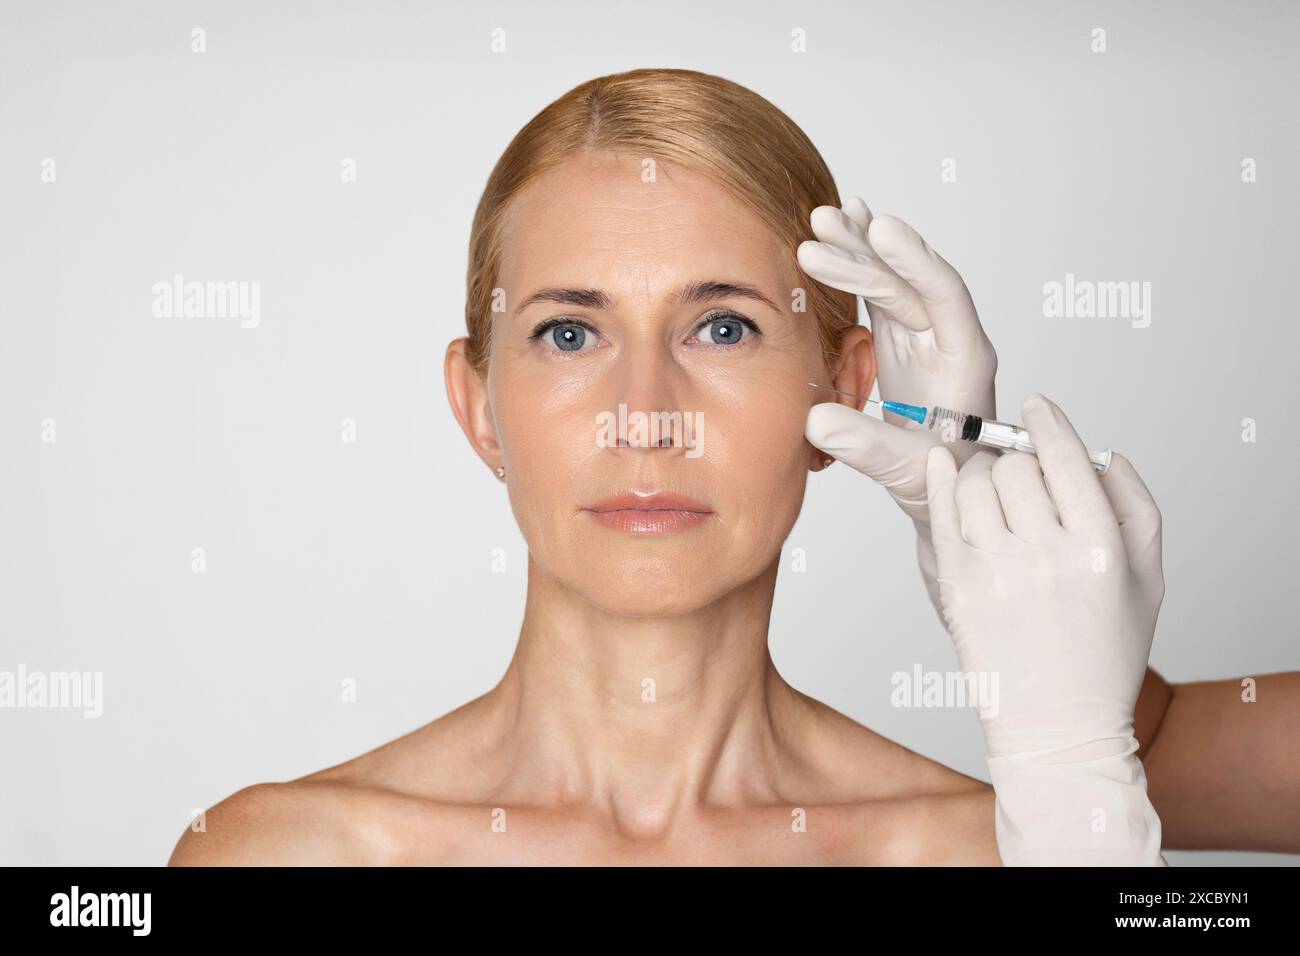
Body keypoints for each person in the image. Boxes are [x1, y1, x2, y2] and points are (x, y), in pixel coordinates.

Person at [169, 68, 1298, 865]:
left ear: (850, 384)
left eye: (723, 328)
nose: (646, 415)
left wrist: (1077, 744)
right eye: (569, 332)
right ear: (480, 409)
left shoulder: (1001, 842)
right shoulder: (284, 854)